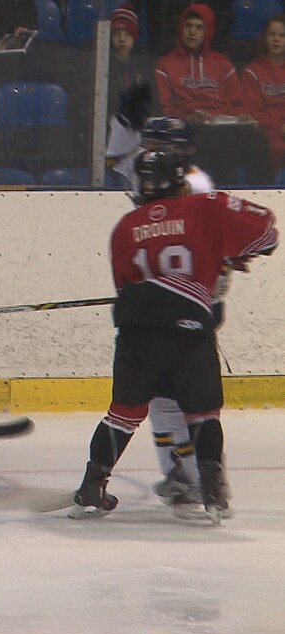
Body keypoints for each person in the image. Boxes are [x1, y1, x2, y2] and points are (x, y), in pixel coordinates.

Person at [71, 149, 278, 524]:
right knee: (203, 414)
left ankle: (92, 487)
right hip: (189, 327)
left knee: (122, 415)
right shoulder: (207, 207)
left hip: (138, 328)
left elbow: (124, 286)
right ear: (179, 179)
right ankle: (212, 489)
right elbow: (266, 229)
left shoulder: (124, 227)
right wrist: (230, 254)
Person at [153, 3, 272, 184]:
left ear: (207, 31)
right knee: (225, 142)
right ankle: (226, 196)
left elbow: (237, 101)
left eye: (199, 27)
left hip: (224, 123)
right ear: (181, 28)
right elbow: (164, 107)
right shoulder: (166, 64)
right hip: (190, 130)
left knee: (257, 138)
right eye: (188, 26)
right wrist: (187, 117)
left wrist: (243, 116)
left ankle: (261, 195)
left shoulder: (221, 63)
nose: (192, 32)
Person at [241, 14, 285, 173]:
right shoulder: (252, 71)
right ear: (264, 38)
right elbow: (253, 112)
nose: (276, 39)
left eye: (282, 35)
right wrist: (279, 126)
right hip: (267, 131)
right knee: (277, 147)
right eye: (272, 34)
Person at [107, 4, 151, 121]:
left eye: (127, 34)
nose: (121, 39)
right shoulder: (103, 66)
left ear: (134, 37)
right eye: (117, 33)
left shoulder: (144, 68)